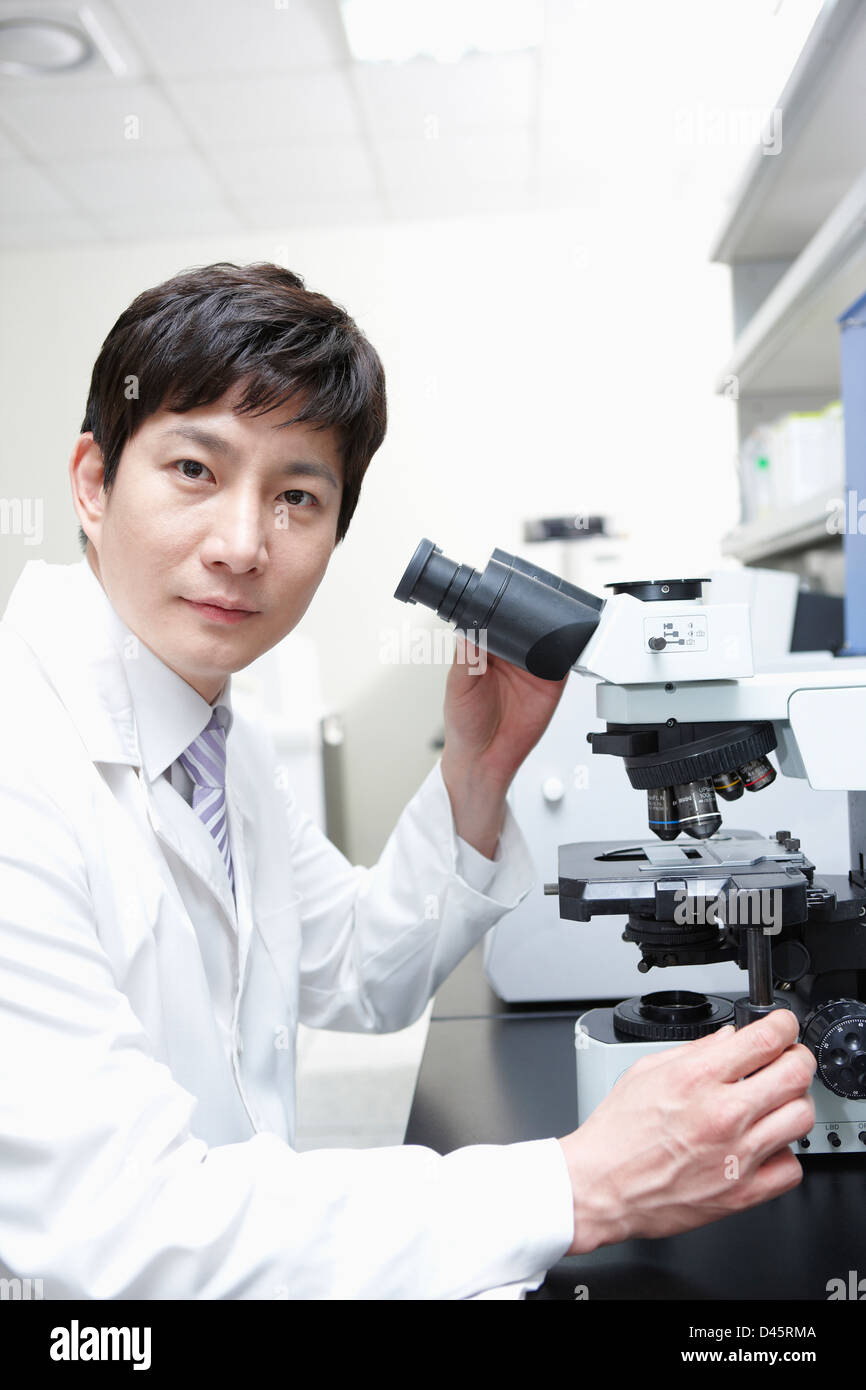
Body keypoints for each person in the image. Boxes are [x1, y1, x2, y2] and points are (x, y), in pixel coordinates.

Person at [0, 262, 816, 1300]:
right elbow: (122, 1231)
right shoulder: (20, 764)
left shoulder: (210, 727)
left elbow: (349, 969)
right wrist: (578, 1185)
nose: (242, 544)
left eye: (296, 496)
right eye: (195, 470)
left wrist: (478, 769)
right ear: (91, 479)